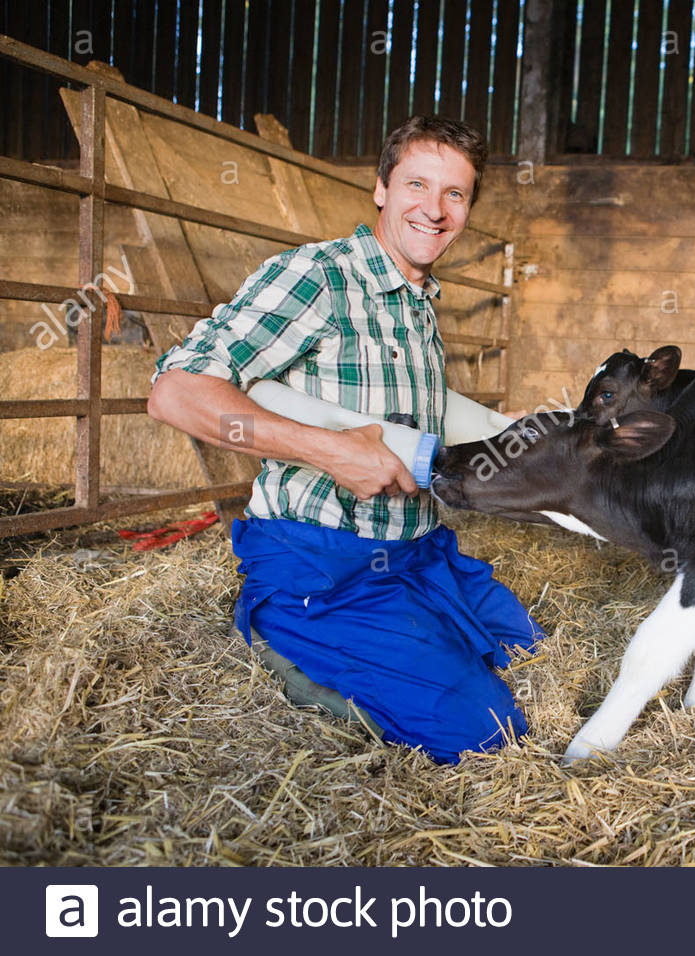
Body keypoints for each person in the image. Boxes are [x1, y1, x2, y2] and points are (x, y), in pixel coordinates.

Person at [148, 116, 542, 763]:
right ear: (382, 188)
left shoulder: (417, 301)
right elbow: (174, 392)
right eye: (418, 184)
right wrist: (328, 449)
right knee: (486, 733)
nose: (436, 211)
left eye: (456, 195)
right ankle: (294, 652)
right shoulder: (320, 277)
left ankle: (404, 645)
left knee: (534, 649)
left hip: (416, 554)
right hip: (323, 561)